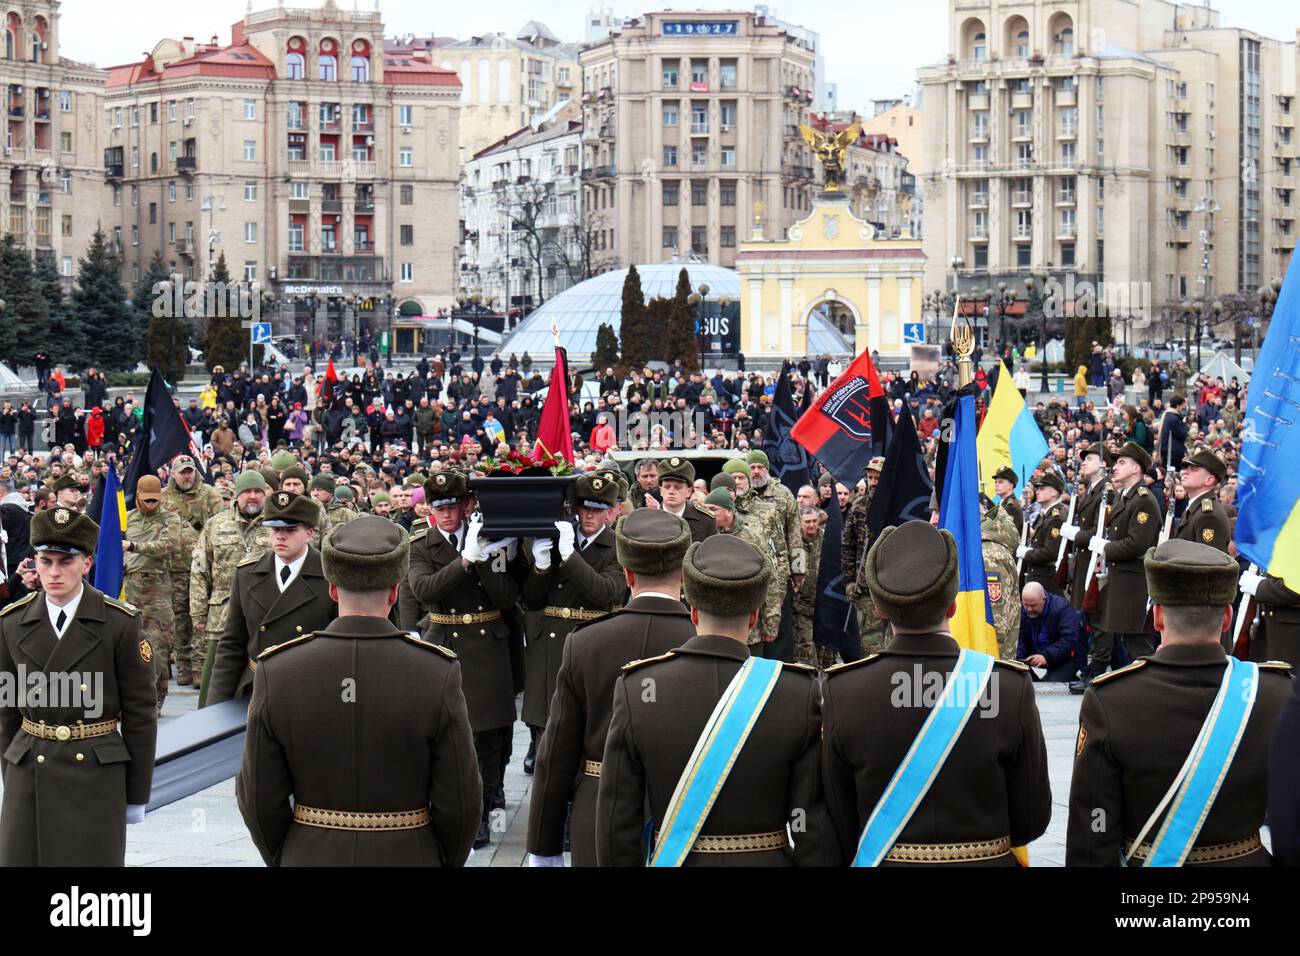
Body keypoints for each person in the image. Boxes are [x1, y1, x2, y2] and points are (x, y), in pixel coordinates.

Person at [236, 516, 481, 866]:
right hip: (408, 854)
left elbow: (258, 796)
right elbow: (461, 799)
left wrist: (287, 854)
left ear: (332, 590)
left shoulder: (278, 670)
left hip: (309, 854)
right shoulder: (436, 671)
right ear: (395, 591)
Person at [821, 520, 1051, 866]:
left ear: (880, 610)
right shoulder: (1007, 686)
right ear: (953, 606)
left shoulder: (843, 689)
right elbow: (1031, 819)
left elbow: (838, 819)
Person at [595, 534, 830, 866]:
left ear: (692, 611)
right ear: (754, 617)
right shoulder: (798, 691)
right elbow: (810, 823)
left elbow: (618, 821)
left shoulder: (637, 689)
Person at [1067, 540, 1292, 865]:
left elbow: (1092, 830)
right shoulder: (1276, 692)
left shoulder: (1111, 698)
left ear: (1157, 617)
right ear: (1227, 617)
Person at [526, 509, 695, 867]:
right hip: (686, 813)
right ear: (683, 573)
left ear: (627, 573)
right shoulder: (701, 640)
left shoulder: (585, 642)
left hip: (599, 810)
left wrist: (544, 845)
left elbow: (556, 755)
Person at [0, 506, 157, 865]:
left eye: (65, 561)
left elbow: (140, 715)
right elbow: (6, 711)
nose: (54, 572)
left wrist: (136, 794)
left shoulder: (119, 624)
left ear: (86, 564)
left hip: (95, 772)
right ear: (34, 564)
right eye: (45, 561)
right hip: (30, 770)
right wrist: (12, 773)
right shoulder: (11, 623)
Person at [398, 470, 520, 850]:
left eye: (452, 506)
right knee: (449, 730)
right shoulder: (422, 545)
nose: (446, 514)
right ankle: (462, 803)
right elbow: (423, 589)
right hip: (444, 639)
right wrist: (464, 561)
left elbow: (506, 598)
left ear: (466, 506)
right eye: (438, 507)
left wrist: (484, 555)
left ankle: (489, 801)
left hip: (488, 643)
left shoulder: (489, 540)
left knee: (492, 731)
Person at [520, 475, 628, 777]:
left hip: (592, 646)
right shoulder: (557, 540)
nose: (590, 516)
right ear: (575, 509)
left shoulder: (617, 546)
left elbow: (606, 592)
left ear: (610, 511)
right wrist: (541, 568)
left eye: (599, 509)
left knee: (587, 734)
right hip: (551, 646)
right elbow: (531, 600)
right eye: (584, 508)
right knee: (547, 737)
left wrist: (570, 557)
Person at [207, 491, 336, 704]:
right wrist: (216, 705)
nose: (280, 536)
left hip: (309, 691)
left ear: (309, 534)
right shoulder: (247, 575)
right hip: (256, 687)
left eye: (290, 530)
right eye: (275, 529)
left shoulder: (329, 577)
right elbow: (232, 644)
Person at [1078, 442, 1161, 684]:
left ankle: (1151, 691)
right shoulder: (1127, 497)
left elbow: (1137, 544)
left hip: (1134, 585)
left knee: (1138, 645)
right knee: (1127, 640)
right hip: (1121, 582)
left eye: (1122, 462)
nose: (1115, 467)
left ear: (1137, 469)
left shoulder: (1143, 500)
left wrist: (1104, 547)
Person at [189, 471, 273, 702]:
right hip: (221, 618)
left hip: (264, 617)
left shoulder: (276, 525)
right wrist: (198, 614)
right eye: (247, 492)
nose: (253, 497)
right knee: (215, 686)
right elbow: (199, 571)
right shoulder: (216, 524)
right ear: (237, 495)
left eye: (258, 492)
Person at [123, 475, 188, 711]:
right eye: (147, 500)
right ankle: (146, 697)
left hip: (157, 588)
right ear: (138, 496)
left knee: (158, 644)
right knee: (132, 645)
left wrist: (134, 546)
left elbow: (170, 545)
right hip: (129, 588)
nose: (152, 505)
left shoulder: (169, 518)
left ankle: (150, 699)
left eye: (155, 500)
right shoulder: (127, 519)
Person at [160, 455, 224, 687]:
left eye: (190, 471)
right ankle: (184, 665)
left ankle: (200, 667)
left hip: (203, 568)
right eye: (182, 472)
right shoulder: (164, 498)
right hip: (173, 568)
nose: (187, 475)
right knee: (179, 618)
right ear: (172, 473)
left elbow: (220, 525)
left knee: (201, 618)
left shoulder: (210, 495)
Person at [1017, 582, 1085, 682]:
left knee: (1051, 683)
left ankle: (1071, 677)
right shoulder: (1021, 610)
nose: (1029, 609)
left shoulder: (1062, 608)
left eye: (1033, 605)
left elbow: (1070, 640)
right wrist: (1019, 659)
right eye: (1026, 605)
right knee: (1021, 679)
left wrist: (1046, 656)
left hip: (1065, 658)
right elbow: (1020, 638)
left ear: (1043, 599)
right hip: (1034, 655)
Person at [1017, 473, 1067, 596]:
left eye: (1042, 489)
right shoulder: (1047, 514)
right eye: (1037, 489)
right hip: (1040, 576)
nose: (1037, 492)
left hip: (1046, 579)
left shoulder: (1056, 517)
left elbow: (1051, 551)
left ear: (1054, 493)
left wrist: (1027, 553)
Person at [1172, 449, 1230, 551]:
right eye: (1186, 468)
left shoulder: (1208, 516)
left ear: (1209, 480)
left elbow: (1206, 563)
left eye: (1194, 469)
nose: (1185, 472)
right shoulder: (1195, 507)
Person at [648, 456, 715, 543]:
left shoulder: (705, 521)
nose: (671, 491)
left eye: (678, 487)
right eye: (667, 487)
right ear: (661, 490)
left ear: (689, 491)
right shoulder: (648, 520)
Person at [991, 466, 1024, 534]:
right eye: (996, 482)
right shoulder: (1002, 503)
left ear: (1010, 486)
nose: (996, 485)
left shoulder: (1011, 507)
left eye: (1000, 482)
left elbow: (1005, 534)